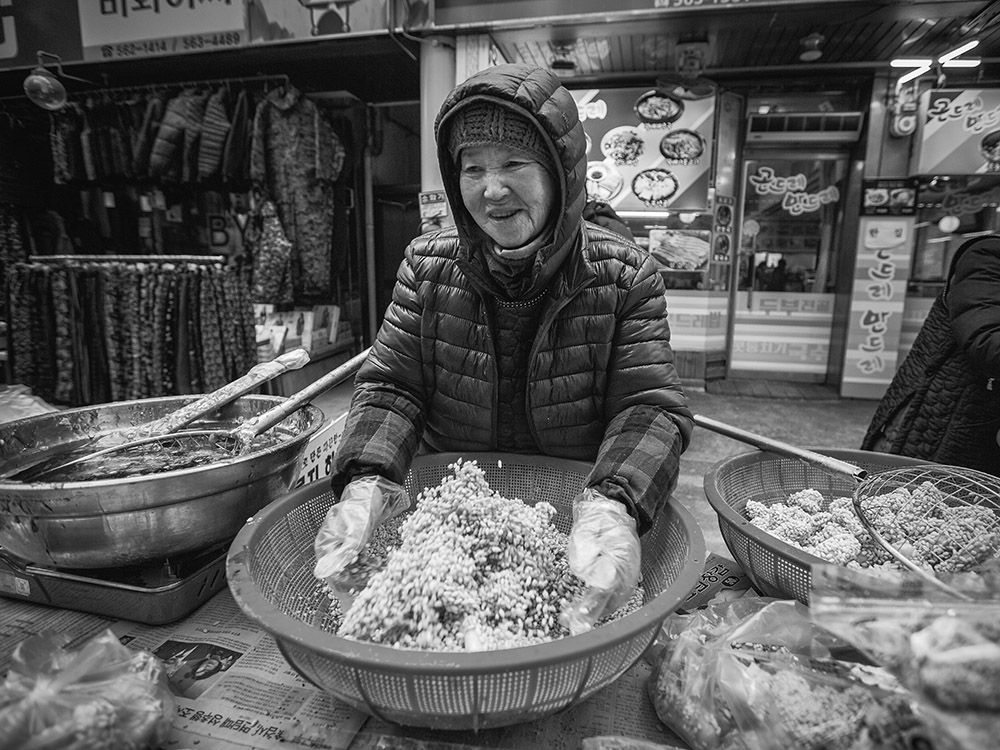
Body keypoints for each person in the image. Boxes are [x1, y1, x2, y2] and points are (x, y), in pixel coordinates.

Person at [313, 63, 694, 634]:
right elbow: (393, 387)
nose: (492, 190)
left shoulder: (624, 274)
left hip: (565, 526)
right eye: (472, 169)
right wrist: (366, 479)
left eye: (514, 163)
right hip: (444, 518)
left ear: (562, 173)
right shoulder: (428, 265)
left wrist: (613, 506)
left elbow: (649, 408)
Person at [861, 234, 1000, 475]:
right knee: (896, 495)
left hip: (979, 433)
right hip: (938, 417)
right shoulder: (988, 256)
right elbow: (986, 341)